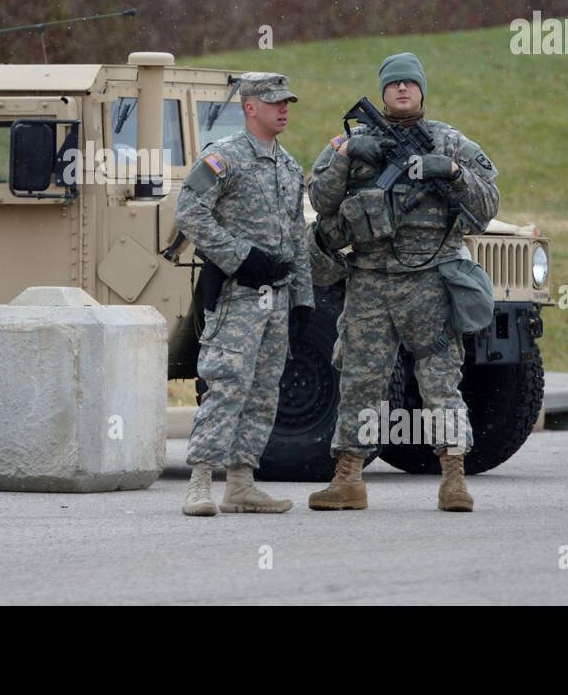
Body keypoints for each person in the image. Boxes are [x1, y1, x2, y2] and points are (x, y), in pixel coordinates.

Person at [307, 52, 499, 512]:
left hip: (430, 281)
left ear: (422, 91)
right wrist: (347, 154)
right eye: (394, 85)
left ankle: (454, 479)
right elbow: (320, 199)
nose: (402, 90)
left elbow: (487, 204)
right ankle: (348, 479)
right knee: (359, 380)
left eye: (410, 84)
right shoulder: (352, 143)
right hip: (370, 280)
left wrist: (451, 171)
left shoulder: (449, 143)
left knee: (439, 382)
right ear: (383, 92)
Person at [174, 72, 313, 516]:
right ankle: (199, 482)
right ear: (249, 107)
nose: (284, 109)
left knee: (264, 390)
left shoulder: (289, 167)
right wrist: (238, 255)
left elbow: (296, 236)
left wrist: (303, 299)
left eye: (287, 102)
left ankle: (241, 484)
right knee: (226, 384)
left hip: (277, 298)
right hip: (238, 294)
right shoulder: (223, 158)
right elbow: (188, 213)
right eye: (274, 102)